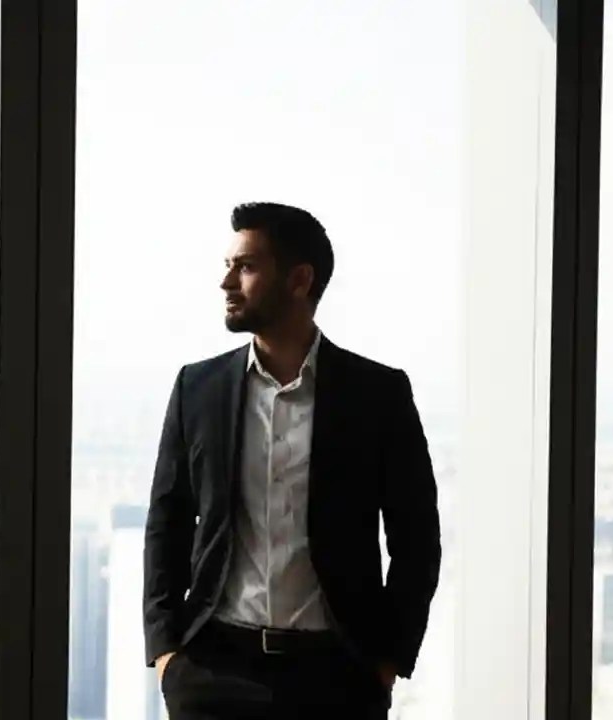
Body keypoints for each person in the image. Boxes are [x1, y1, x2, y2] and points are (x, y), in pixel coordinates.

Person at [143, 202, 441, 719]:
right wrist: (167, 653)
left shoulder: (377, 395)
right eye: (228, 265)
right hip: (214, 673)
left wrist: (387, 659)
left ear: (300, 280)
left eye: (247, 267)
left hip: (335, 677)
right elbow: (166, 524)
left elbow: (416, 540)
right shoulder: (198, 388)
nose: (227, 282)